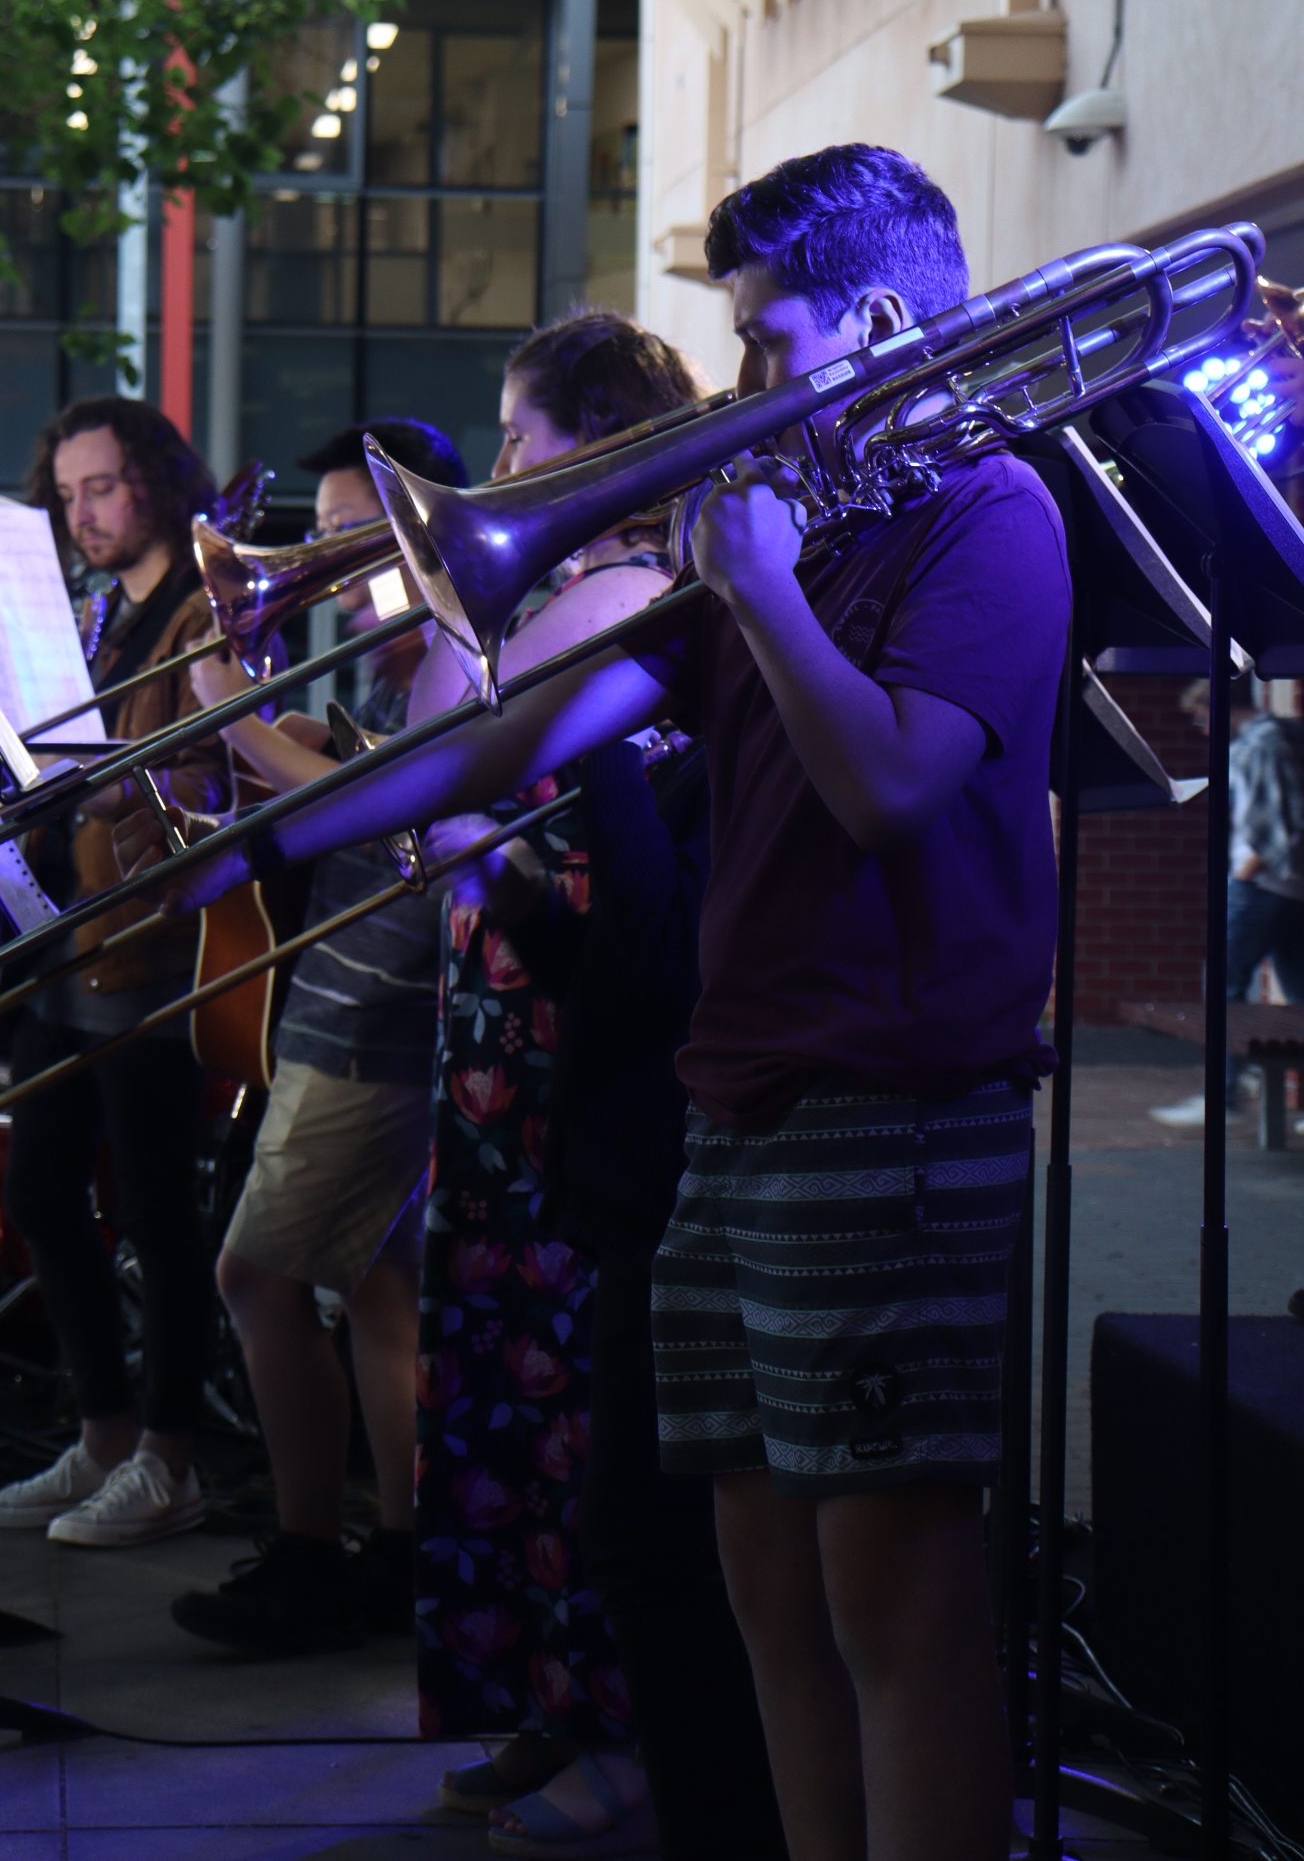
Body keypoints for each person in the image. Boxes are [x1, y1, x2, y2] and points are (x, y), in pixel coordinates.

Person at [155, 144, 1073, 1861]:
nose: (737, 383)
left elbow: (888, 786)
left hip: (892, 1099)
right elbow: (495, 746)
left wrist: (763, 585)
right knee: (768, 1595)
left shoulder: (988, 512)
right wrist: (248, 829)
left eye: (767, 340)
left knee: (893, 1600)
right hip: (738, 1103)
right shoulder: (781, 532)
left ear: (883, 325)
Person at [393, 315, 702, 1854]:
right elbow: (431, 757)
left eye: (521, 431)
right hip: (505, 1024)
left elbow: (457, 757)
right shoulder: (555, 591)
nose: (500, 458)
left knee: (576, 1394)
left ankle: (623, 1722)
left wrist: (453, 610)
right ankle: (545, 1700)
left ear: (599, 440)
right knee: (504, 1389)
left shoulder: (635, 588)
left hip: (579, 1032)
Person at [160, 416, 470, 1655]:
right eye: (323, 531)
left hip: (371, 1026)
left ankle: (307, 1555)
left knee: (255, 1279)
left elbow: (392, 808)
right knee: (383, 1292)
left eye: (354, 532)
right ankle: (398, 1553)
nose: (326, 559)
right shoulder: (393, 666)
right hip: (349, 1010)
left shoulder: (448, 649)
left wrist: (236, 713)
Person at [447, 722, 784, 1861]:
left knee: (656, 1550)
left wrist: (605, 753)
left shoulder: (736, 745)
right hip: (638, 1187)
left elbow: (665, 961)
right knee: (649, 1544)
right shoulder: (704, 746)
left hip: (683, 1189)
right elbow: (617, 977)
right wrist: (517, 899)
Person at [0, 395, 231, 1547]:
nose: (82, 514)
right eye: (68, 494)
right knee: (38, 1192)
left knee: (160, 1214)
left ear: (155, 483)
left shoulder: (207, 605)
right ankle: (105, 1436)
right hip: (69, 938)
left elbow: (222, 775)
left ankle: (171, 1458)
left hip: (151, 944)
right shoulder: (99, 615)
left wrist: (130, 783)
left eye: (103, 488)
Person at [1150, 677, 1304, 1129]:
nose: (1203, 729)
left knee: (1222, 987)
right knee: (1298, 995)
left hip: (1263, 887)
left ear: (1219, 706)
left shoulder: (1261, 745)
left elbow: (1282, 823)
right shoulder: (1269, 740)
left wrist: (1245, 873)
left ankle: (1222, 1096)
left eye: (1203, 718)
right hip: (1286, 887)